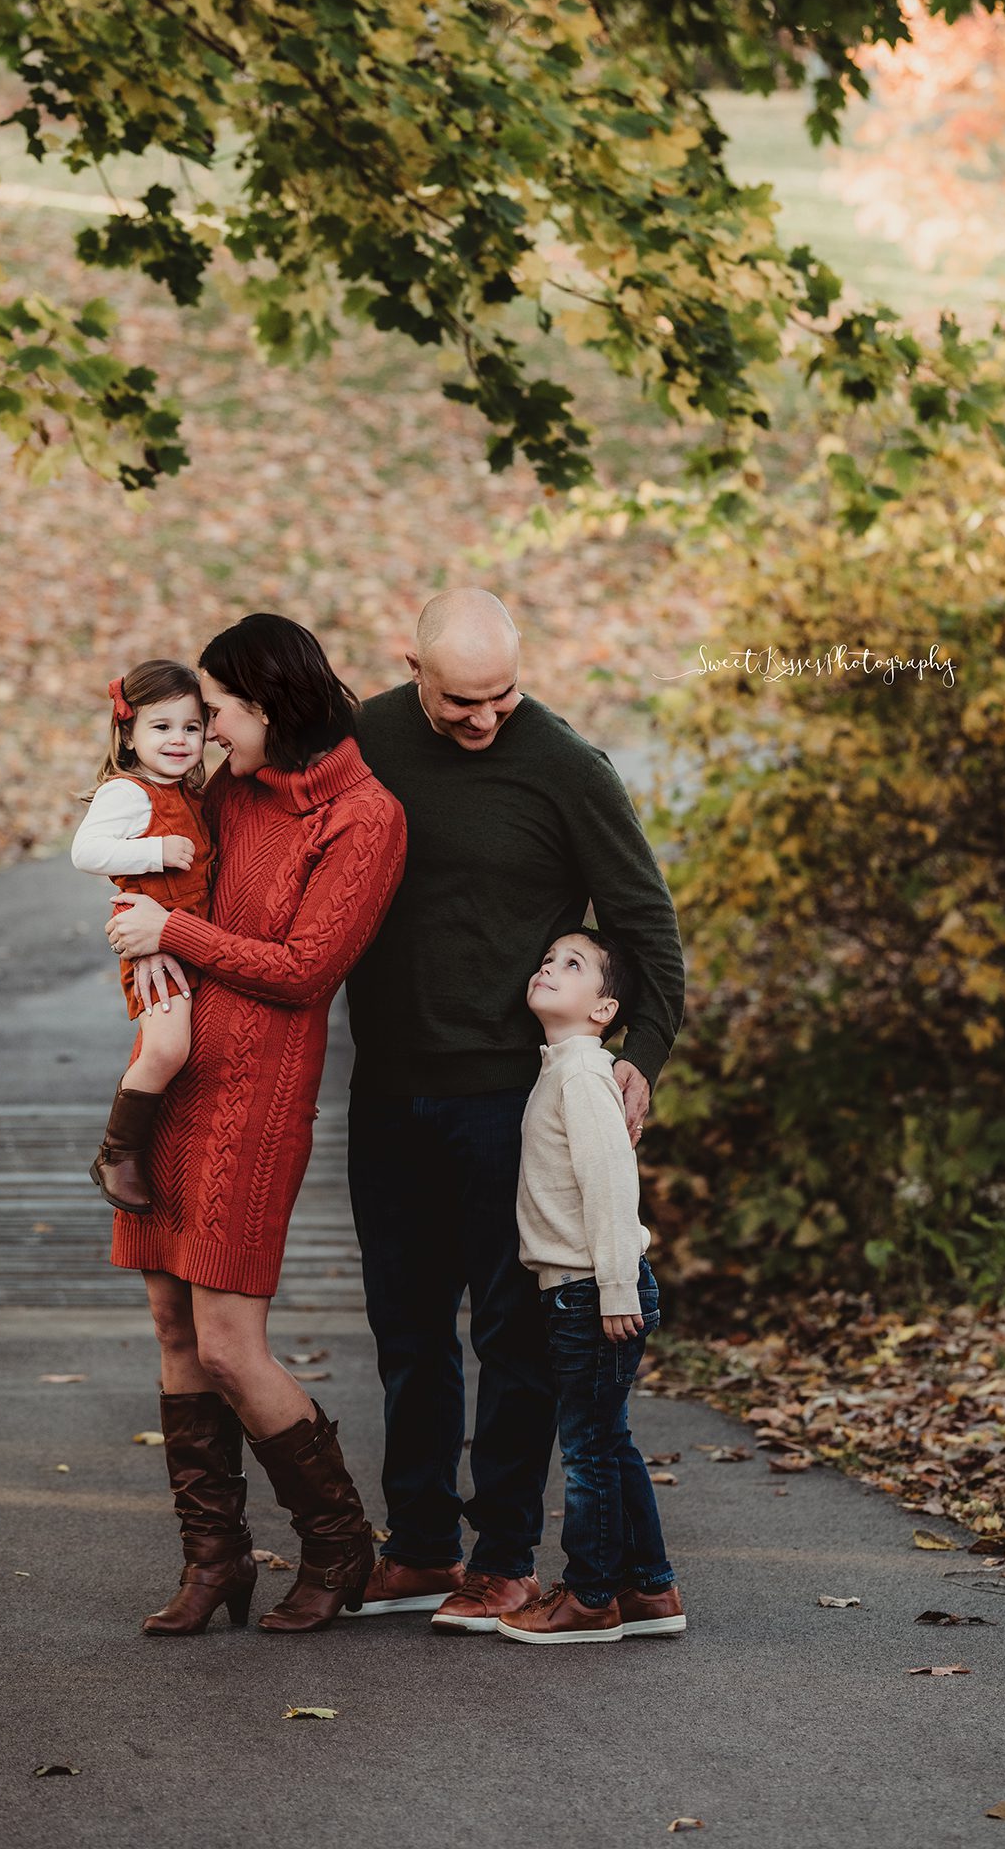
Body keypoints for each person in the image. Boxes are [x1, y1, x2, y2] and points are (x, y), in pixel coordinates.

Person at [346, 588, 685, 1632]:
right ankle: (416, 1547)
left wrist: (644, 1054)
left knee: (511, 1335)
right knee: (405, 1330)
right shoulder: (366, 738)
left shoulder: (566, 767)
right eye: (460, 701)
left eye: (501, 696)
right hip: (388, 1087)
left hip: (504, 1096)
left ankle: (500, 1558)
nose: (483, 718)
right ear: (413, 668)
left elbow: (643, 917)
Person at [104, 614, 407, 1638]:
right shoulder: (229, 790)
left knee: (232, 1345)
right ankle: (214, 1557)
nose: (210, 729)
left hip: (256, 1099)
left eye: (222, 710)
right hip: (177, 1077)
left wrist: (173, 930)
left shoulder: (365, 818)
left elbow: (307, 969)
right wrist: (138, 926)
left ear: (269, 705)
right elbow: (154, 866)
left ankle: (337, 1544)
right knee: (172, 1327)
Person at [496, 927, 684, 1645]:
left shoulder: (581, 1073)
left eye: (570, 965)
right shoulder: (562, 1067)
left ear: (602, 1009)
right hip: (580, 1285)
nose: (547, 968)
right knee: (608, 1439)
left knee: (587, 1449)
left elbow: (611, 1187)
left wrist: (613, 1291)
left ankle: (593, 1596)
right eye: (545, 958)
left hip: (591, 1288)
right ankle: (651, 1588)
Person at [70, 660, 214, 1215]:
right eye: (162, 727)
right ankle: (118, 1151)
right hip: (157, 948)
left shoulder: (185, 793)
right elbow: (86, 852)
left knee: (185, 1048)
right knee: (167, 1046)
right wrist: (153, 852)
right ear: (127, 734)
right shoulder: (129, 793)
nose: (179, 739)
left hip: (185, 937)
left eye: (192, 727)